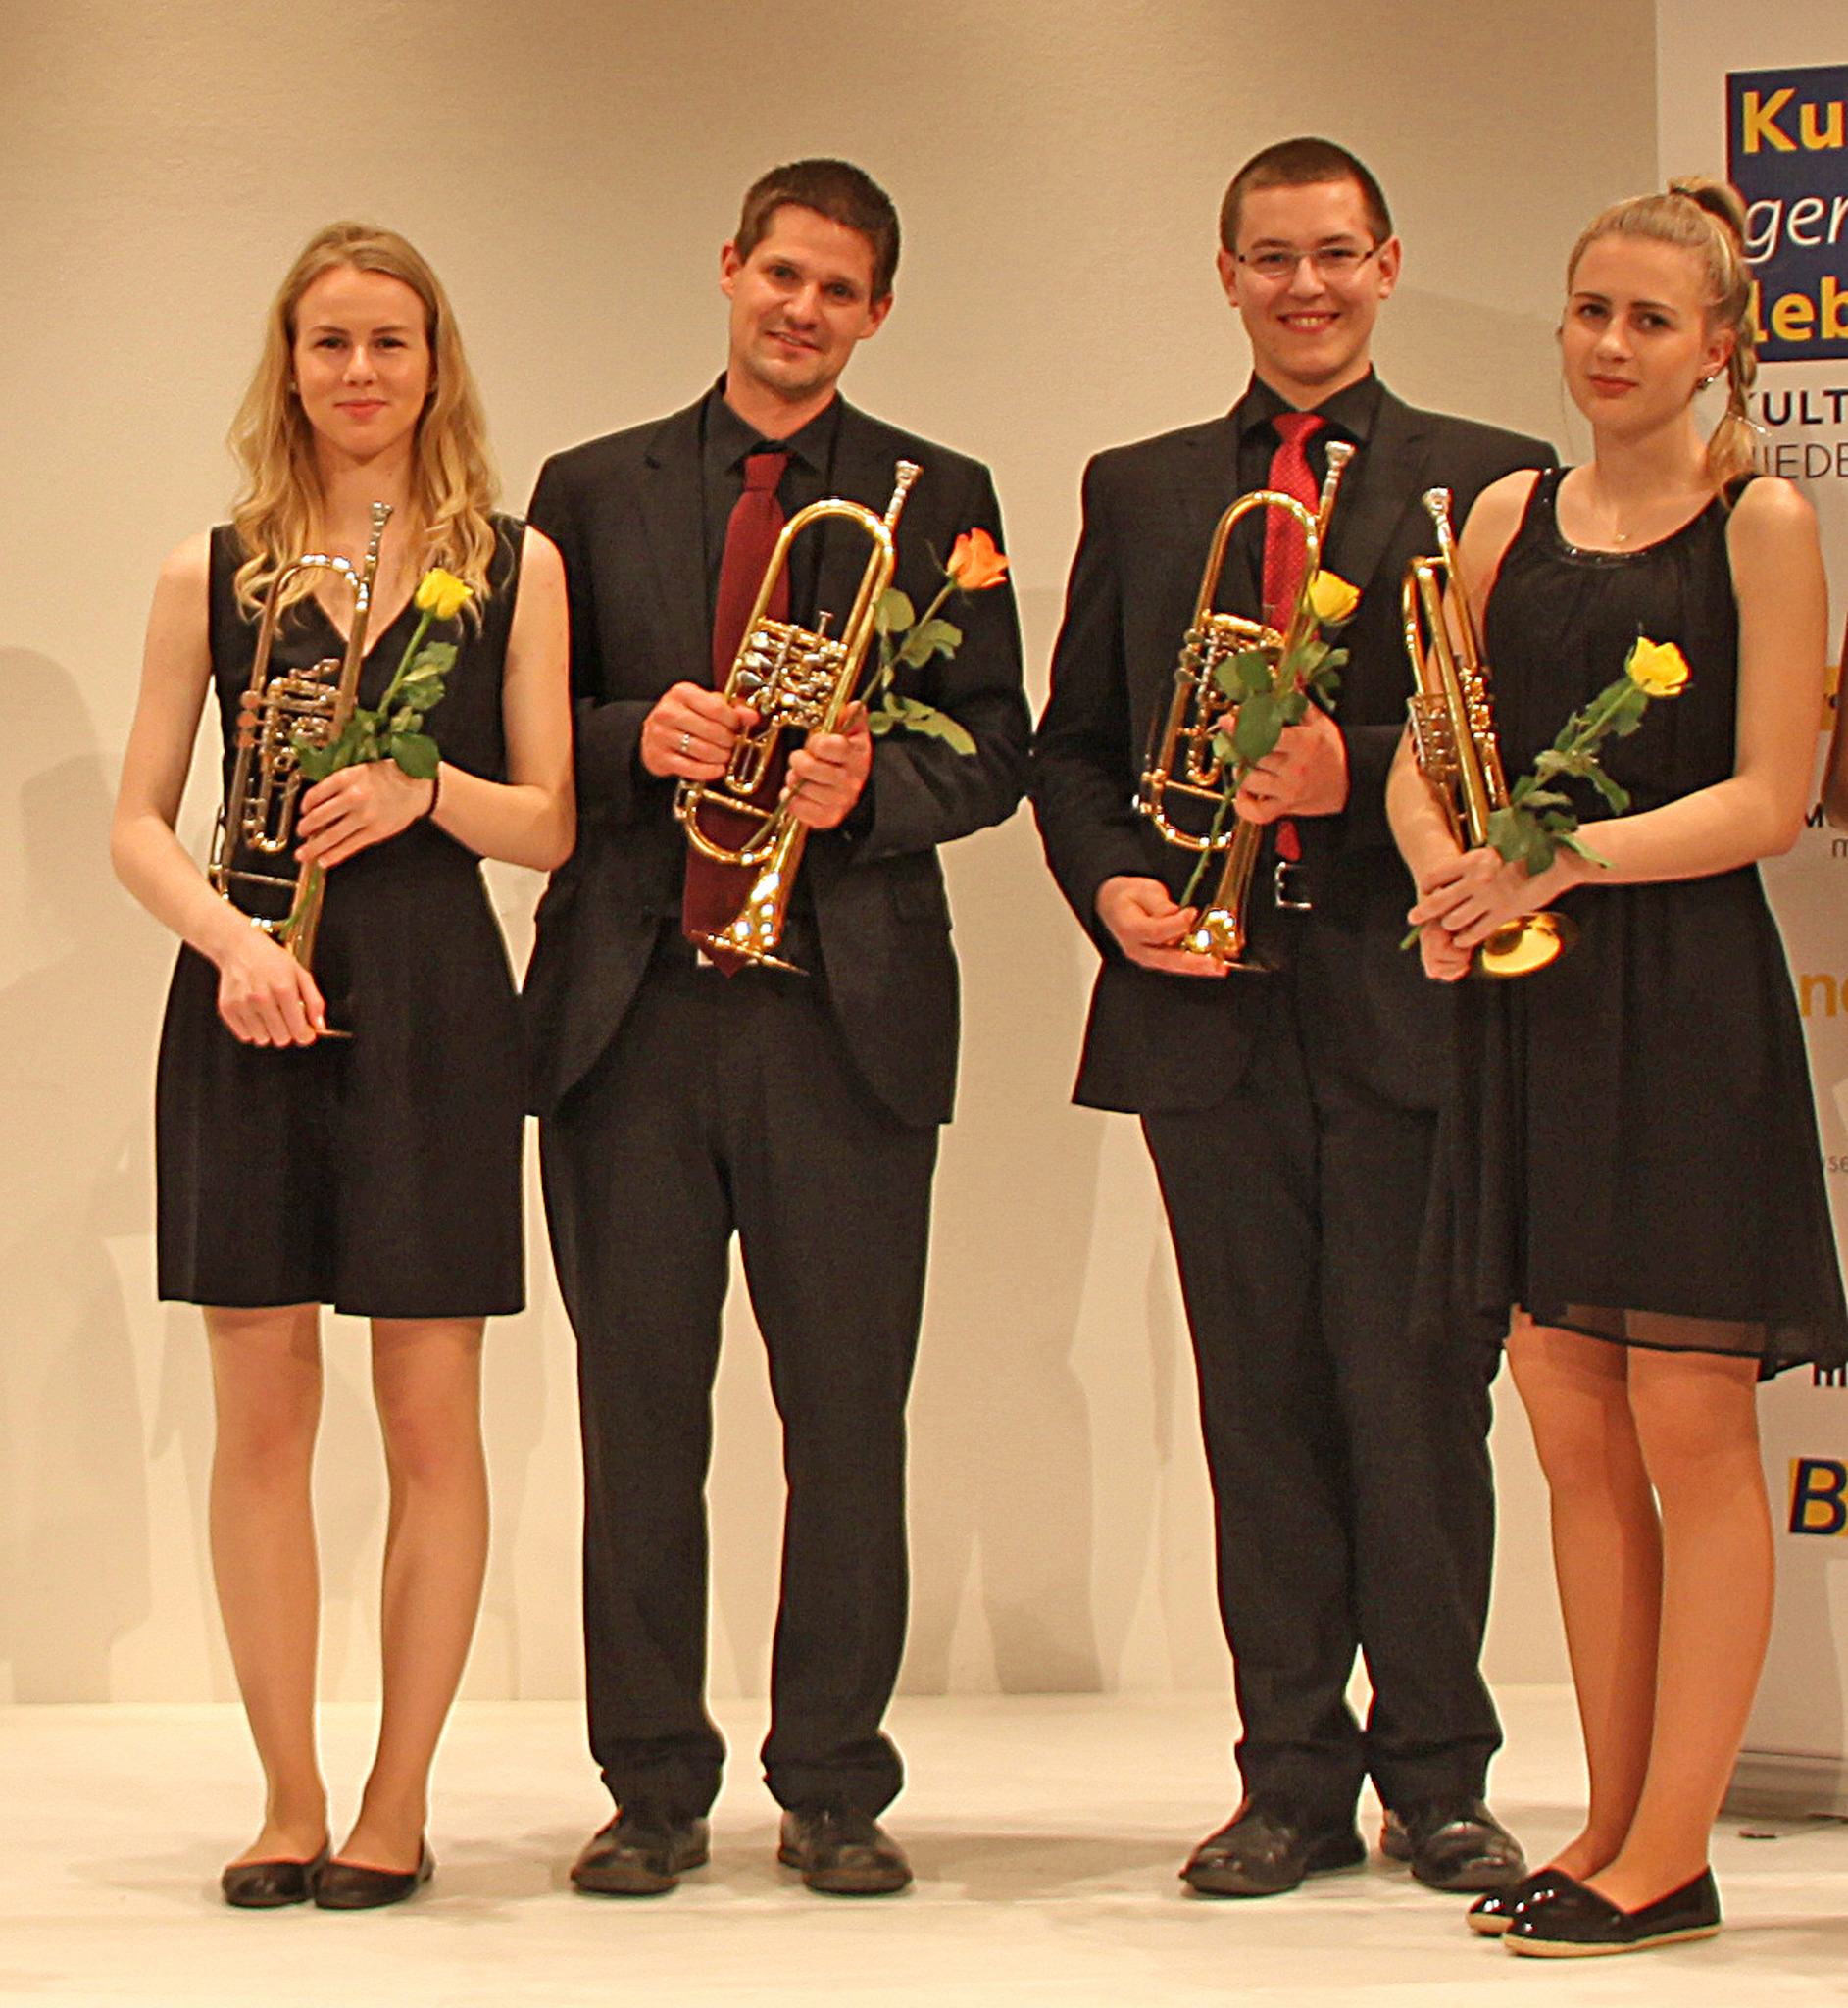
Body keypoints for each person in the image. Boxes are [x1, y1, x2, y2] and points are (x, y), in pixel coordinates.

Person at [1032, 137, 1553, 1898]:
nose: (1304, 287)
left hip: (1410, 1006)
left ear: (1388, 264)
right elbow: (1077, 751)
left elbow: (1531, 748)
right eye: (1271, 258)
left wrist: (1365, 770)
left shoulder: (1489, 480)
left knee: (1416, 1399)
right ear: (1228, 274)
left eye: (1335, 256)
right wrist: (1113, 889)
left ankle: (1440, 1773)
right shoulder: (1144, 482)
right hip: (1207, 1007)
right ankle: (1287, 1781)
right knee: (1256, 1403)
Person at [524, 158, 1028, 1899]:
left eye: (840, 290)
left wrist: (867, 783)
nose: (802, 310)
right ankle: (651, 1782)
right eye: (781, 275)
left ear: (875, 311)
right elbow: (531, 745)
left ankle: (831, 1780)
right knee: (638, 1419)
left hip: (841, 1020)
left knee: (846, 1416)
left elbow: (998, 746)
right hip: (631, 1013)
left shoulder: (936, 492)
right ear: (727, 266)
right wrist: (620, 741)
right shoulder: (587, 490)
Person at [1390, 179, 1847, 1956]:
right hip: (1531, 997)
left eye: (1652, 319)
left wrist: (1561, 860)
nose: (1610, 343)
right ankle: (1606, 1827)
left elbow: (1769, 796)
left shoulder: (1763, 521)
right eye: (1590, 309)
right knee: (1569, 1424)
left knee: (1686, 1426)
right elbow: (1429, 737)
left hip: (1680, 1003)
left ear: (1721, 347)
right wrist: (1445, 859)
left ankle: (1674, 1846)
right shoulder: (1506, 508)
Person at [112, 223, 573, 1910]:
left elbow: (549, 822)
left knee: (430, 1416)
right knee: (259, 1425)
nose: (359, 372)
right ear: (287, 365)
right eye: (329, 344)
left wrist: (422, 794)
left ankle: (396, 1802)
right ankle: (287, 1798)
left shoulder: (514, 564)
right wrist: (232, 947)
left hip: (438, 996)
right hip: (249, 990)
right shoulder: (209, 569)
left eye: (389, 341)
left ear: (433, 364)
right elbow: (138, 823)